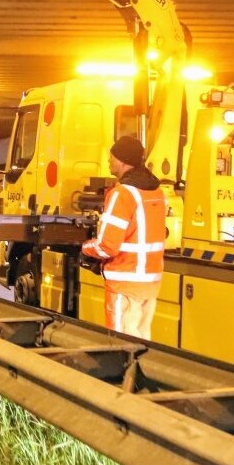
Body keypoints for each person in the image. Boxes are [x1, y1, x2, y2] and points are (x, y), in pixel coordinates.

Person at [81, 135, 166, 340]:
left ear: (122, 161)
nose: (108, 161)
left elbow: (108, 246)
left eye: (112, 157)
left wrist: (85, 248)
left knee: (119, 342)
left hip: (124, 283)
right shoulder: (156, 192)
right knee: (141, 338)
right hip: (149, 282)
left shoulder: (122, 194)